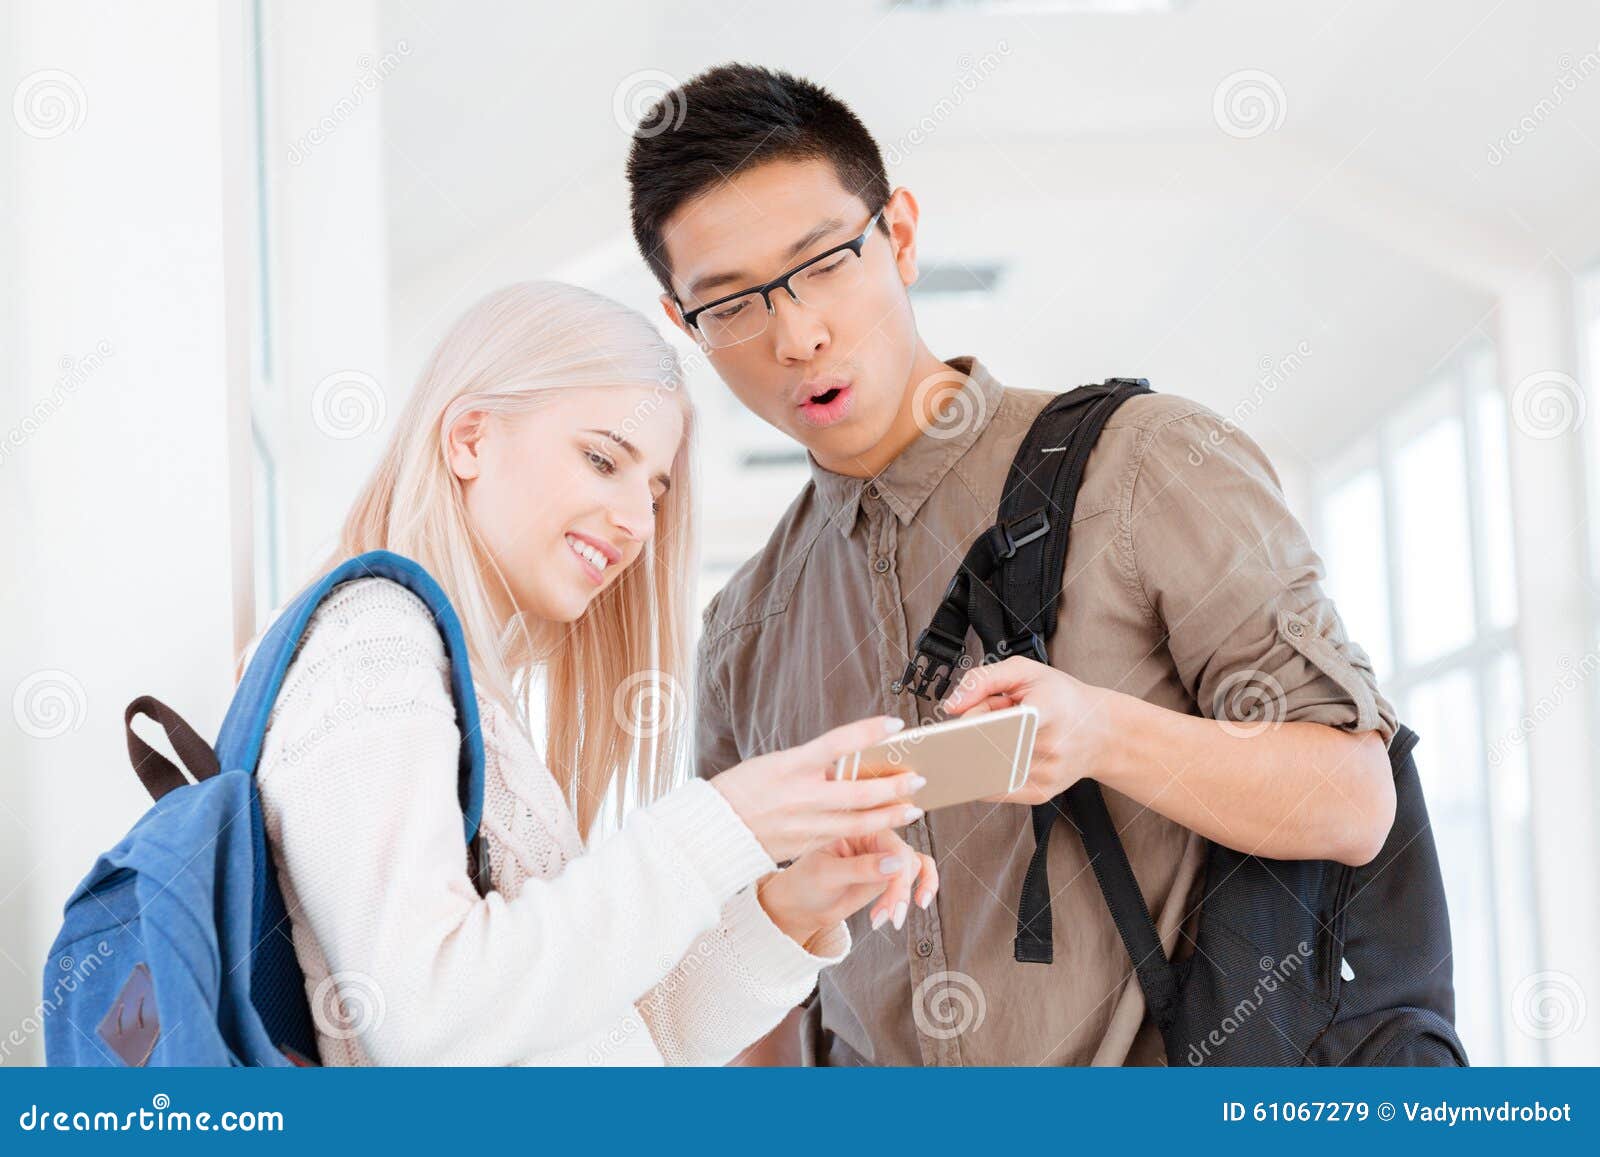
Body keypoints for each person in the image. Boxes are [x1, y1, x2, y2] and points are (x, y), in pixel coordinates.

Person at [626, 64, 1397, 1065]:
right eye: (730, 305)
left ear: (899, 235)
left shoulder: (1145, 462)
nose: (796, 334)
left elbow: (1351, 798)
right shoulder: (744, 624)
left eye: (824, 264)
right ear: (683, 323)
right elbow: (757, 973)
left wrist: (1101, 732)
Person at [249, 280, 938, 1066]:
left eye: (654, 490)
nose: (640, 524)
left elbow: (605, 1044)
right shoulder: (373, 648)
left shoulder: (453, 680)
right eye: (603, 458)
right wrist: (724, 818)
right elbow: (429, 1018)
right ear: (470, 438)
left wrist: (788, 906)